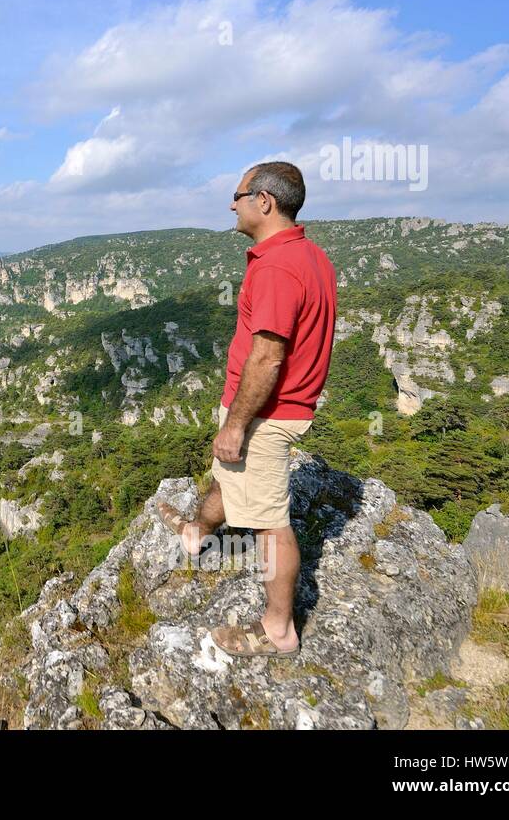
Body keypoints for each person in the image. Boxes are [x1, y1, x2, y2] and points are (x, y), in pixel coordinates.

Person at [158, 161, 337, 656]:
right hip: (267, 410)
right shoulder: (310, 255)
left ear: (264, 201)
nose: (230, 205)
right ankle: (198, 531)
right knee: (227, 475)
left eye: (236, 195)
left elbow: (268, 355)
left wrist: (237, 423)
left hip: (265, 415)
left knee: (270, 523)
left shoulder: (279, 266)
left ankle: (278, 630)